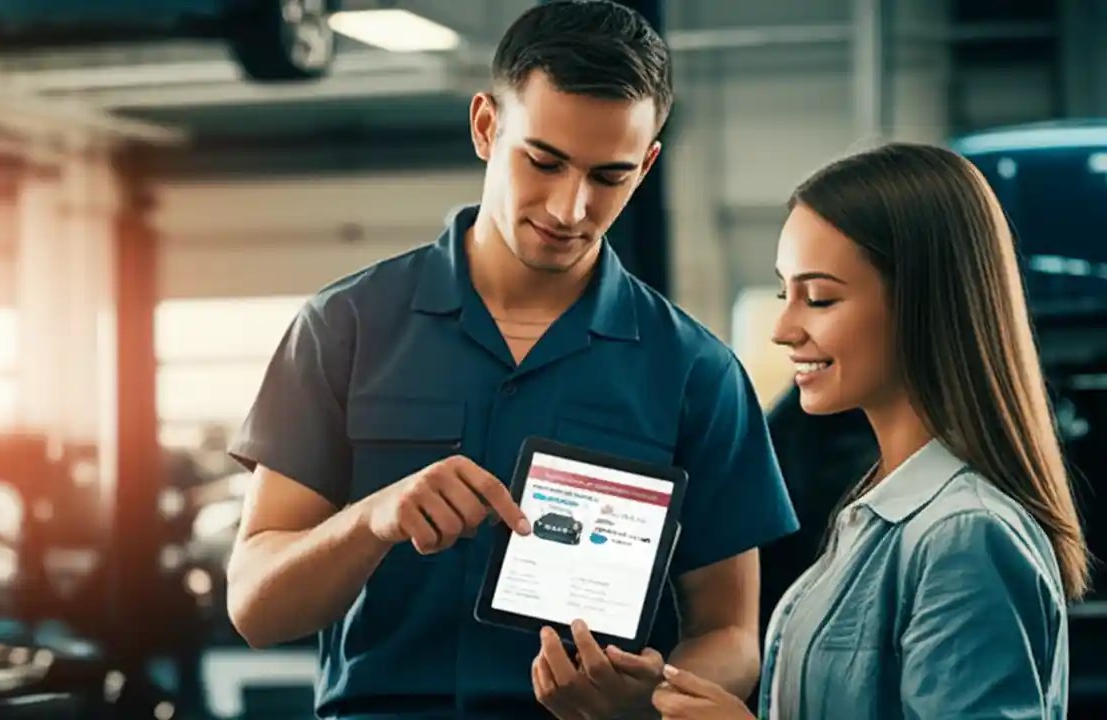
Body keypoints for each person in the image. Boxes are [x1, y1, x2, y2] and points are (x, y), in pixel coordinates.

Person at [224, 1, 799, 718]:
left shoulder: (697, 373)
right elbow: (256, 608)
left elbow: (731, 635)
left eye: (609, 177)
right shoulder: (344, 327)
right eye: (544, 161)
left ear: (647, 165)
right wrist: (371, 521)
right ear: (486, 126)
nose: (569, 208)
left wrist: (650, 697)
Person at [650, 142, 1090, 719]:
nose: (783, 328)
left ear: (923, 303)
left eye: (819, 298)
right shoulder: (880, 515)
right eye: (785, 293)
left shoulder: (963, 536)